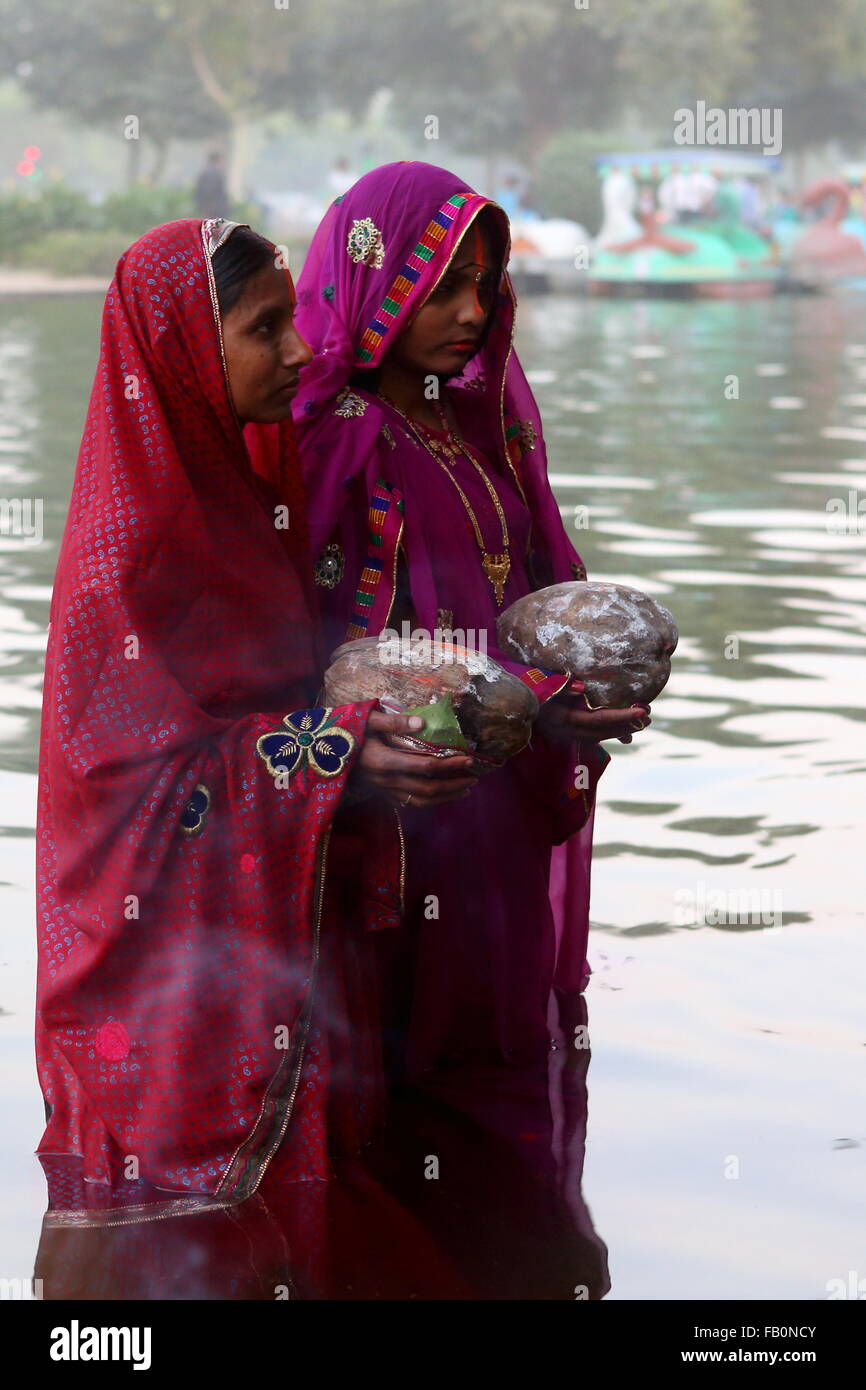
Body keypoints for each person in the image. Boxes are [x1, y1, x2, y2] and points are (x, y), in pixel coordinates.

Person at [33, 215, 477, 1231]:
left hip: (278, 957)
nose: (299, 351)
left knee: (306, 1241)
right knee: (166, 1249)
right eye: (262, 327)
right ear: (185, 347)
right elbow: (128, 801)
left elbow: (270, 706)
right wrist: (333, 753)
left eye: (294, 321)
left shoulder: (249, 502)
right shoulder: (125, 568)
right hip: (162, 1002)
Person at [287, 161, 652, 1092]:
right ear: (378, 280)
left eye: (485, 285)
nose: (472, 310)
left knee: (495, 1076)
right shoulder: (336, 440)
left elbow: (518, 611)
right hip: (402, 813)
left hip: (497, 808)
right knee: (403, 1075)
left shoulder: (477, 435)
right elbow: (310, 645)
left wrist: (568, 694)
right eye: (444, 283)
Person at [194, 149, 228, 219]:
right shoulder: (214, 174)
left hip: (207, 207)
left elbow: (198, 191)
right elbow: (211, 191)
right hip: (213, 209)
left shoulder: (204, 173)